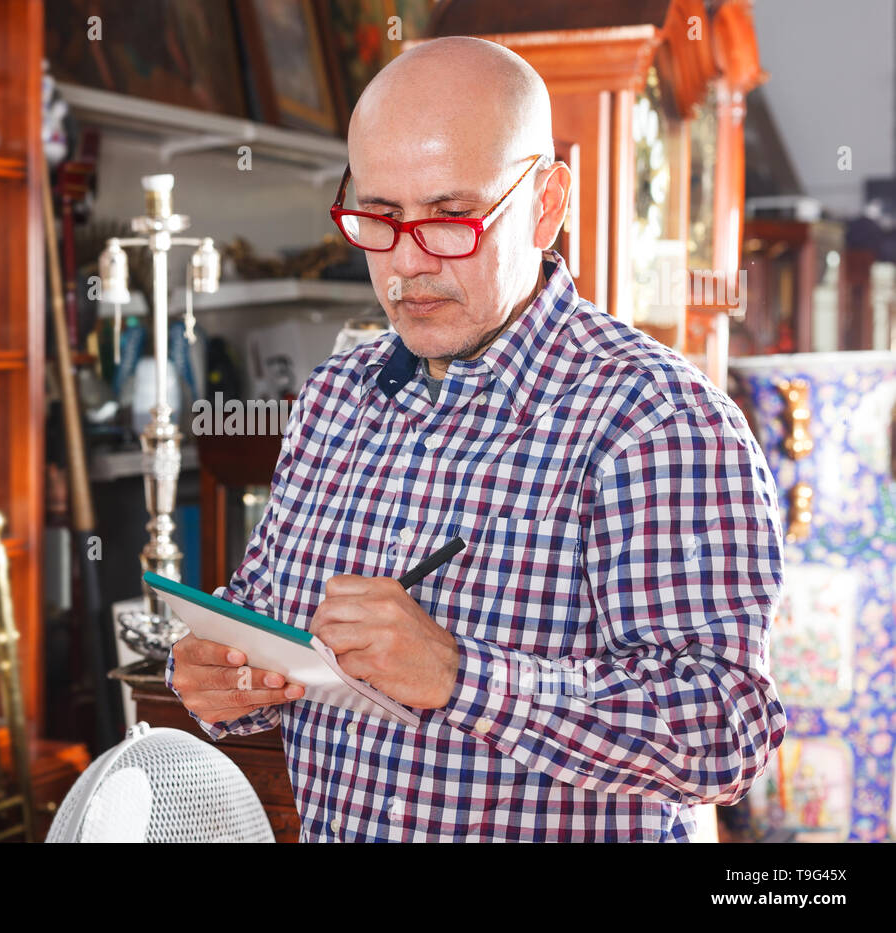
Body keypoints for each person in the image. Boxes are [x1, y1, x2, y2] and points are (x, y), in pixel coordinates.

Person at [167, 35, 786, 842]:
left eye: (451, 218)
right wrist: (218, 670)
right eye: (380, 219)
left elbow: (725, 735)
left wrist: (462, 678)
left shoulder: (656, 419)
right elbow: (262, 613)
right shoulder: (333, 399)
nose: (408, 266)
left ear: (548, 203)